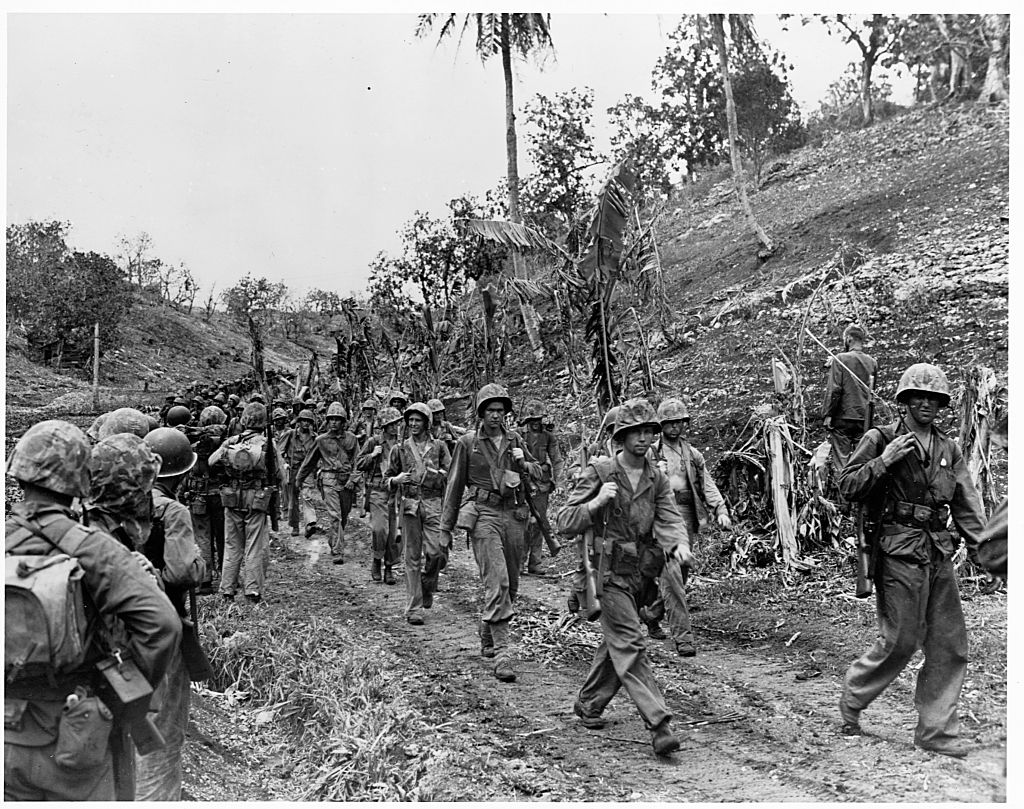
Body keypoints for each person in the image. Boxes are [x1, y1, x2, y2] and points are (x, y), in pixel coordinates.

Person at [5, 420, 181, 801]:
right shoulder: (93, 547)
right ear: (80, 482)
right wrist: (119, 692)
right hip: (77, 732)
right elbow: (163, 626)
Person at [838, 363, 987, 758]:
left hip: (937, 551)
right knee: (900, 641)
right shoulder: (881, 438)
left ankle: (937, 732)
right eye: (918, 398)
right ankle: (854, 696)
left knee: (949, 644)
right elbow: (847, 485)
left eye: (934, 399)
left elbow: (966, 502)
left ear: (941, 405)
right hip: (898, 550)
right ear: (903, 402)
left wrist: (982, 549)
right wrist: (883, 460)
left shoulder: (949, 448)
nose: (926, 405)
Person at [556, 398, 691, 756]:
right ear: (622, 436)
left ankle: (589, 703)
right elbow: (565, 522)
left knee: (617, 643)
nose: (644, 438)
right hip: (609, 574)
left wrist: (678, 544)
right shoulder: (600, 473)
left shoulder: (656, 477)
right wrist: (596, 503)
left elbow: (669, 517)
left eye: (650, 431)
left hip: (640, 575)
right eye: (637, 431)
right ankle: (659, 723)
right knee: (631, 642)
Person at [441, 383, 542, 682]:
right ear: (481, 413)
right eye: (490, 411)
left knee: (511, 584)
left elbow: (541, 474)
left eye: (501, 411)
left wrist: (524, 462)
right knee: (496, 581)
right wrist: (445, 529)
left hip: (513, 516)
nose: (496, 416)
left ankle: (487, 629)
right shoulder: (468, 443)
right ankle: (502, 653)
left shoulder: (516, 440)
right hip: (483, 514)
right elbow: (454, 486)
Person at [137, 427, 206, 799]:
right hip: (165, 624)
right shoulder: (173, 510)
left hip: (123, 627)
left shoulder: (124, 501)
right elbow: (181, 571)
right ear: (182, 473)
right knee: (165, 732)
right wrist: (199, 567)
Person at [647, 398, 732, 657]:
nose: (674, 428)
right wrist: (652, 470)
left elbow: (706, 484)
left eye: (679, 422)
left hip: (687, 516)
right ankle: (683, 638)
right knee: (672, 576)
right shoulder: (650, 453)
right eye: (669, 423)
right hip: (661, 518)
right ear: (661, 426)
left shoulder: (692, 454)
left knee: (680, 575)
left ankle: (651, 613)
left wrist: (720, 509)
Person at [209, 402, 284, 602]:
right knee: (254, 545)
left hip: (232, 496)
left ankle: (227, 590)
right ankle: (252, 591)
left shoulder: (231, 441)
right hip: (257, 498)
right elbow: (280, 475)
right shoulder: (268, 443)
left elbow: (211, 462)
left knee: (232, 544)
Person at [387, 402, 452, 625]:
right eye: (410, 420)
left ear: (427, 422)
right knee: (412, 557)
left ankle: (428, 584)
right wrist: (396, 480)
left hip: (434, 503)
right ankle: (413, 608)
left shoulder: (440, 446)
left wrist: (440, 474)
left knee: (438, 552)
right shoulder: (400, 449)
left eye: (418, 420)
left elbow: (451, 473)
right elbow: (388, 476)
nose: (413, 424)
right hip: (410, 505)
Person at [296, 402, 360, 564]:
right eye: (331, 419)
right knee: (335, 515)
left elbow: (358, 462)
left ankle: (334, 539)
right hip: (328, 480)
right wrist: (299, 479)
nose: (333, 422)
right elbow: (309, 462)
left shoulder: (352, 439)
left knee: (344, 516)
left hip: (346, 482)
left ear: (343, 421)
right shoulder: (321, 440)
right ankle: (338, 550)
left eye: (337, 419)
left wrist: (353, 479)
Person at [821, 323, 878, 474]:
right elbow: (872, 393)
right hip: (864, 419)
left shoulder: (840, 359)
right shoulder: (872, 362)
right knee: (861, 461)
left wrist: (828, 415)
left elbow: (835, 389)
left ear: (848, 339)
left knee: (842, 462)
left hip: (843, 418)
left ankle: (844, 491)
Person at [184, 405, 229, 592]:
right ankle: (227, 576)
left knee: (202, 538)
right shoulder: (226, 443)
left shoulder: (193, 445)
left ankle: (205, 580)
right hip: (221, 496)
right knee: (224, 537)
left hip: (198, 497)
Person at [356, 406, 403, 584]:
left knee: (393, 533)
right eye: (390, 424)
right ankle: (377, 559)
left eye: (396, 423)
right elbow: (359, 463)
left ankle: (389, 567)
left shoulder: (403, 443)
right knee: (379, 529)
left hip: (396, 492)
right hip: (377, 490)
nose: (394, 427)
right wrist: (372, 456)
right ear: (383, 425)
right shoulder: (373, 442)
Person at [519, 400, 564, 575]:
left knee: (539, 522)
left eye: (538, 419)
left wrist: (559, 482)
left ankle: (535, 563)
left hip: (542, 484)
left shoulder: (549, 436)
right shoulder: (519, 435)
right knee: (523, 522)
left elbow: (557, 459)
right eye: (532, 420)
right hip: (523, 485)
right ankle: (519, 562)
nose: (536, 423)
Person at [280, 408, 319, 537]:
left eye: (308, 421)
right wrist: (283, 464)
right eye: (303, 421)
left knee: (307, 496)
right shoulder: (290, 434)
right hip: (293, 469)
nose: (306, 424)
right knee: (293, 500)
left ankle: (310, 523)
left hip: (307, 470)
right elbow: (279, 451)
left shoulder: (315, 438)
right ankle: (295, 525)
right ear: (299, 422)